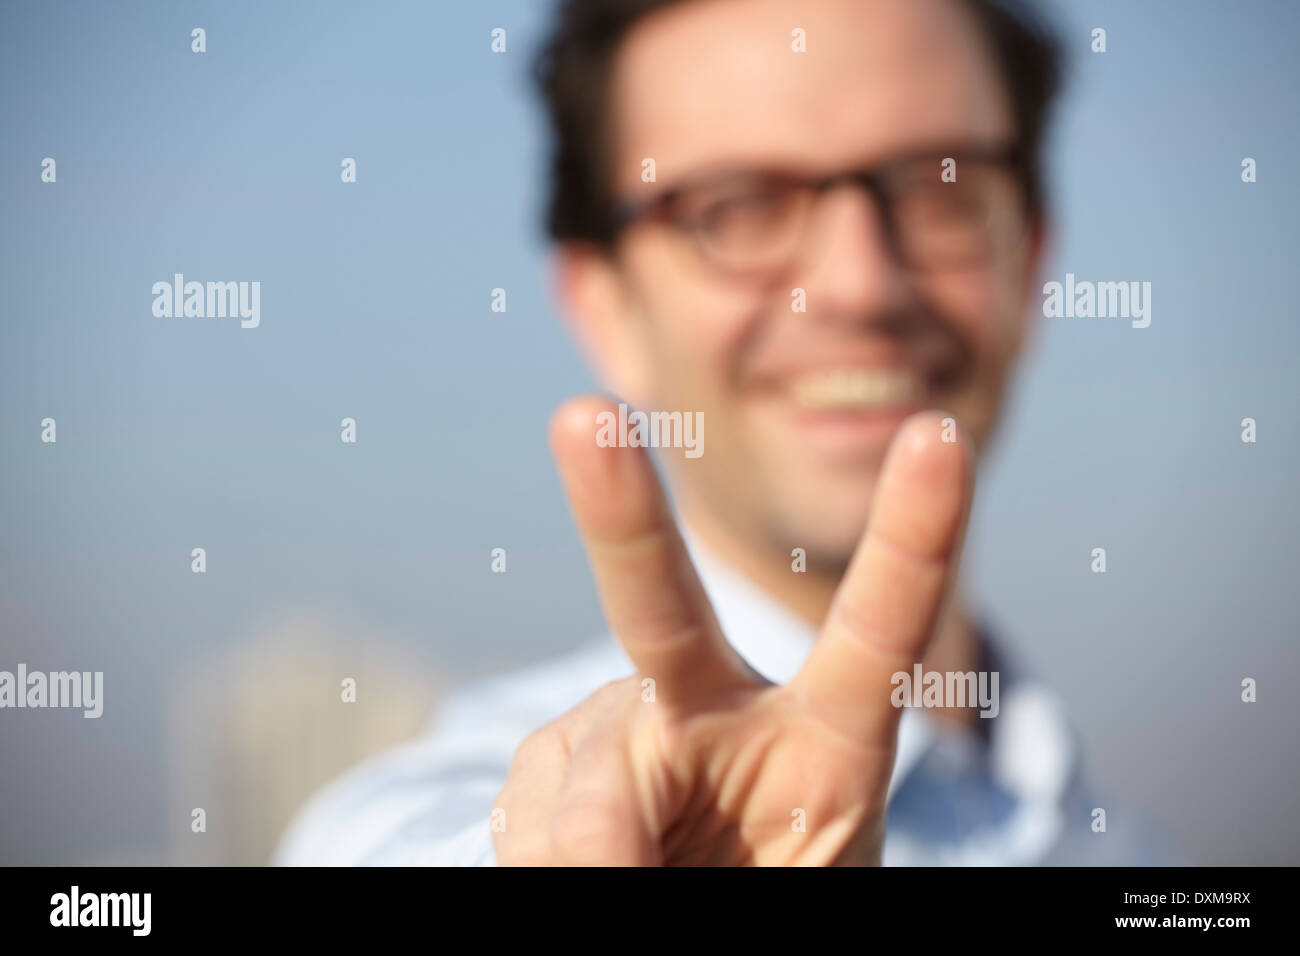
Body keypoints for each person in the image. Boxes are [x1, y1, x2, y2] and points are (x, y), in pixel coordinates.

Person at [276, 0, 1174, 866]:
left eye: (940, 189)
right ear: (605, 308)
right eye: (737, 208)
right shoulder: (465, 804)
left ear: (1034, 257)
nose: (859, 284)